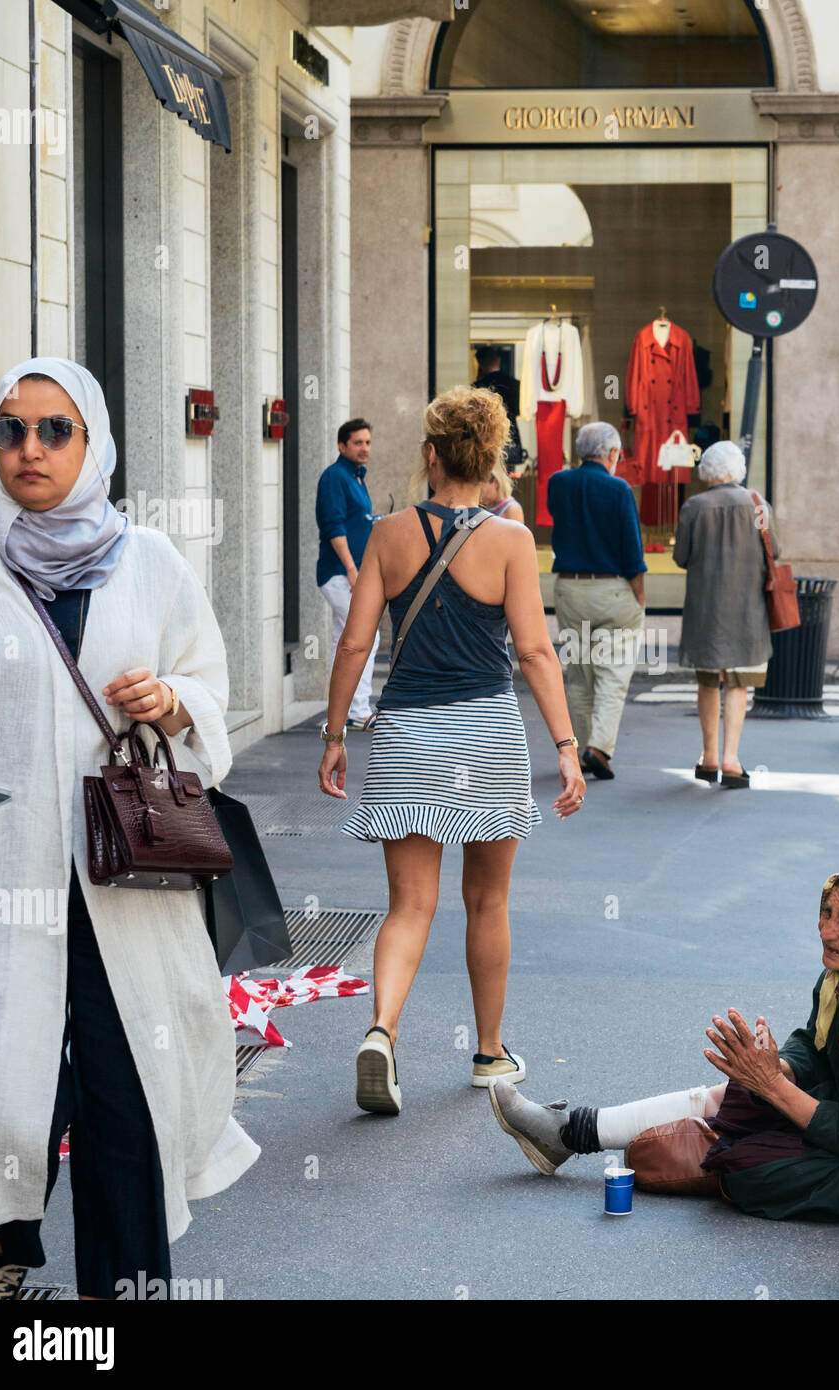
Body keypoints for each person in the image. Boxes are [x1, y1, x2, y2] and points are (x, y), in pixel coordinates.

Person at [0, 357, 259, 1301]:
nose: (29, 449)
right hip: (0, 879)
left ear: (94, 445)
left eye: (55, 430)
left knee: (123, 1099)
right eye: (11, 430)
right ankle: (11, 1241)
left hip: (121, 886)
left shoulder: (150, 564)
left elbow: (212, 688)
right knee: (8, 1086)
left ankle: (124, 1298)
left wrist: (173, 702)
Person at [319, 386, 585, 1114]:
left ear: (431, 456)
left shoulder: (389, 533)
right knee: (487, 899)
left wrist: (336, 732)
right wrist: (566, 745)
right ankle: (491, 1055)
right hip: (486, 733)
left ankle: (382, 1031)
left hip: (407, 732)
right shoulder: (512, 542)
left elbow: (354, 640)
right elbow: (534, 651)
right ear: (492, 459)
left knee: (409, 904)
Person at [488, 866, 839, 1224]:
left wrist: (775, 1085)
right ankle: (571, 1133)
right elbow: (816, 1051)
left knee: (748, 1174)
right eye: (826, 913)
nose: (826, 930)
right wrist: (776, 1066)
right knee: (744, 1091)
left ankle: (719, 1150)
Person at [547, 421, 647, 781]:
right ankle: (599, 747)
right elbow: (631, 548)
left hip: (571, 589)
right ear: (613, 454)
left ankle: (576, 749)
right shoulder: (619, 489)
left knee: (578, 673)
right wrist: (639, 593)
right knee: (613, 672)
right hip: (613, 589)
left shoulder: (558, 482)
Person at [673, 441, 777, 789]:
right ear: (738, 469)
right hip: (747, 608)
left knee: (708, 681)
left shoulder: (693, 506)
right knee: (738, 684)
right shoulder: (758, 504)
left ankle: (710, 756)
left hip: (706, 608)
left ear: (708, 472)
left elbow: (681, 557)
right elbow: (775, 551)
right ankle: (731, 760)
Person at [316, 418, 381, 730]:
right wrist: (353, 570)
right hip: (341, 574)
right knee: (364, 637)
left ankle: (341, 714)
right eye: (358, 443)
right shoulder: (334, 477)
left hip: (353, 573)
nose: (364, 448)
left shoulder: (356, 477)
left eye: (367, 442)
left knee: (344, 640)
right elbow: (334, 527)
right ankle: (355, 710)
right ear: (342, 446)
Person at [472, 345, 523, 470]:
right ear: (498, 360)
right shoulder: (515, 384)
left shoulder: (477, 386)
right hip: (510, 435)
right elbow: (518, 410)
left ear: (480, 364)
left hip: (486, 439)